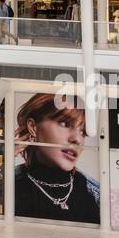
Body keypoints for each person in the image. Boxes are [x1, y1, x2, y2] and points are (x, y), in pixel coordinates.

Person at [14, 92, 100, 223]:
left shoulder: (90, 190)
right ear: (33, 127)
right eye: (65, 124)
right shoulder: (11, 183)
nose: (77, 139)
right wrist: (7, 156)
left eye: (83, 132)